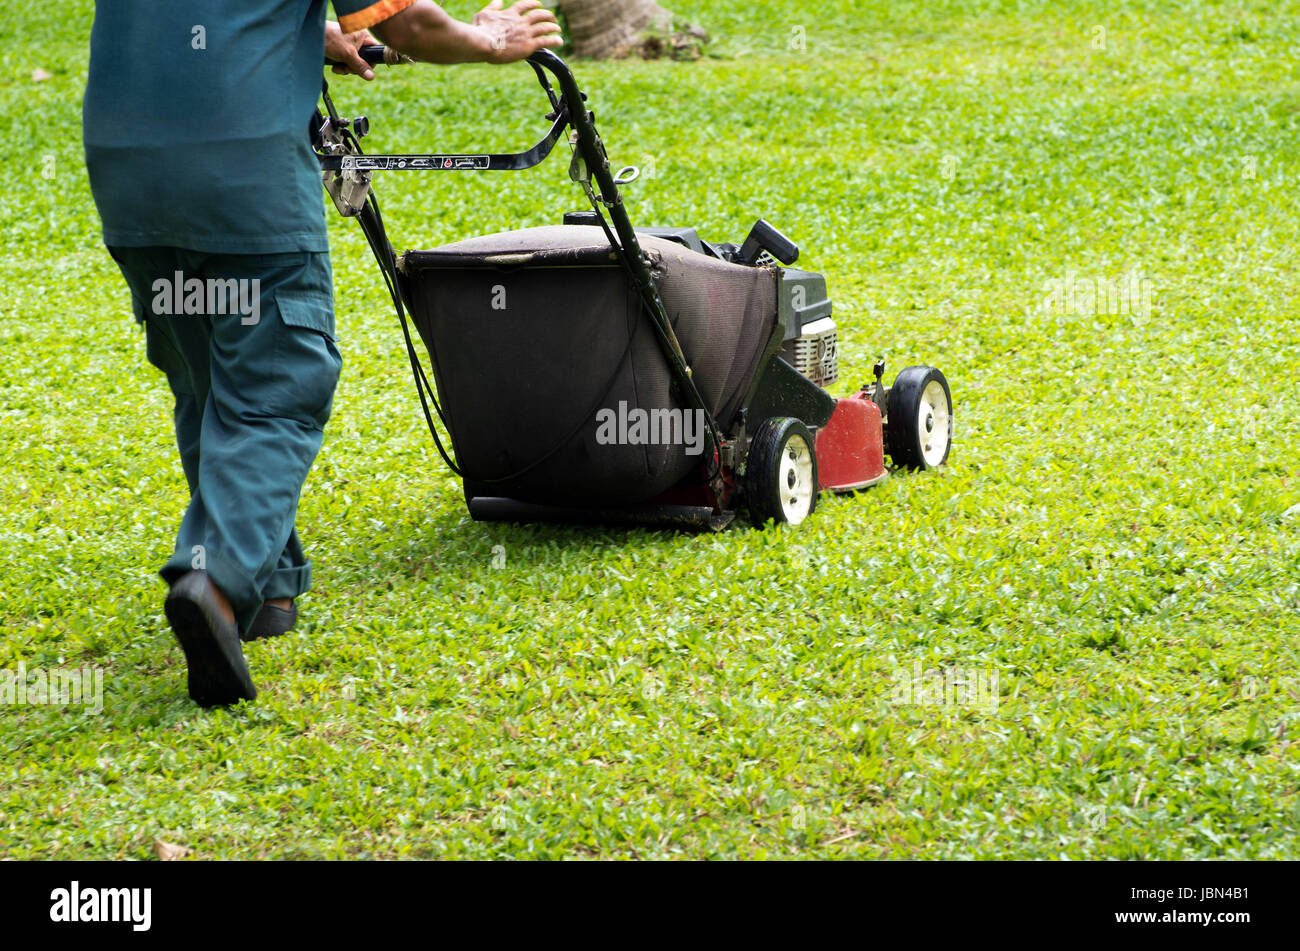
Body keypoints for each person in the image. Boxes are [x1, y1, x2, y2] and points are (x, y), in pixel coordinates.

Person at [83, 1, 562, 707]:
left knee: (208, 379)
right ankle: (213, 581)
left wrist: (310, 36)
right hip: (239, 170)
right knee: (280, 381)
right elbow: (410, 26)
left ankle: (268, 590)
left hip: (126, 167)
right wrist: (493, 41)